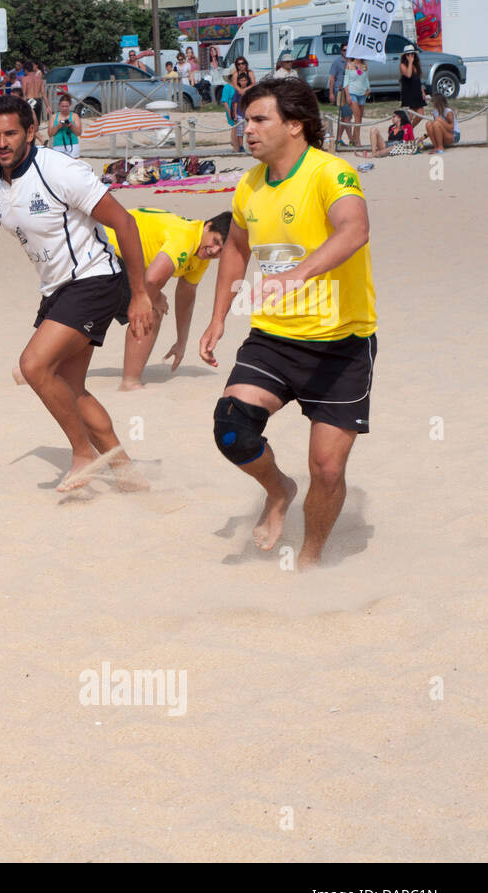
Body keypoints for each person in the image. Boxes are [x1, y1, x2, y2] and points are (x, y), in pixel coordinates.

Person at [198, 79, 376, 567]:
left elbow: (354, 229)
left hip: (341, 344)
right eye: (245, 119)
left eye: (259, 119)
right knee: (232, 429)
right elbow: (235, 247)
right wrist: (217, 318)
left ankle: (311, 558)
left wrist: (298, 275)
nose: (247, 129)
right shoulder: (249, 184)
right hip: (273, 339)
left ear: (295, 125)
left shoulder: (330, 173)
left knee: (327, 469)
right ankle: (278, 491)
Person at [0, 95, 153, 493]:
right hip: (57, 289)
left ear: (31, 132)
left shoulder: (60, 171)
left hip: (96, 279)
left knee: (33, 366)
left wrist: (140, 293)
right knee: (70, 387)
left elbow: (125, 223)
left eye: (11, 133)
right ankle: (128, 475)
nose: (2, 142)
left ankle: (83, 453)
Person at [107, 208, 232, 390]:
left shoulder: (201, 256)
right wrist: (155, 296)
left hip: (120, 255)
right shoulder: (186, 236)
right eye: (215, 242)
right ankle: (130, 383)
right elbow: (152, 279)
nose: (214, 251)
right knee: (150, 309)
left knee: (149, 304)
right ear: (208, 226)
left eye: (221, 251)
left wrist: (181, 342)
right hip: (104, 246)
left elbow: (186, 296)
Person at [20, 61, 50, 142]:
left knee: (29, 123)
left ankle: (38, 141)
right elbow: (43, 94)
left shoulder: (25, 79)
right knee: (36, 125)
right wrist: (48, 106)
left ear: (26, 70)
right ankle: (36, 141)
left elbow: (24, 93)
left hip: (29, 100)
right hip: (38, 100)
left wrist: (22, 105)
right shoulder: (39, 79)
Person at [328, 49, 351, 150]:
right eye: (344, 50)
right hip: (341, 91)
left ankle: (338, 139)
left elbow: (359, 73)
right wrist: (331, 93)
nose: (346, 51)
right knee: (346, 116)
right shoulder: (337, 62)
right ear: (341, 51)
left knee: (345, 117)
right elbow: (332, 78)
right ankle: (352, 139)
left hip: (351, 90)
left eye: (347, 49)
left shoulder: (352, 61)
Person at [224, 72, 252, 152]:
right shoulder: (234, 90)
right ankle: (240, 146)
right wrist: (234, 113)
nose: (243, 82)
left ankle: (247, 146)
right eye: (241, 80)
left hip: (246, 113)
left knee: (248, 130)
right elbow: (234, 103)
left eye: (245, 80)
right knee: (239, 131)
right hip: (240, 113)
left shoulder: (249, 91)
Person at [48, 93, 82, 159]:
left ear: (70, 105)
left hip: (73, 144)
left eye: (66, 106)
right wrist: (58, 126)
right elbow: (50, 134)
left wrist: (71, 126)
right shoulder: (54, 117)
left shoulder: (75, 116)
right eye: (63, 106)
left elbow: (79, 133)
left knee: (74, 166)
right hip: (58, 145)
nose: (64, 108)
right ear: (59, 105)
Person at [345, 57, 369, 148]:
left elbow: (366, 79)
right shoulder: (349, 65)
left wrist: (368, 89)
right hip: (352, 93)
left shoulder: (364, 66)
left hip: (362, 93)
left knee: (359, 118)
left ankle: (353, 139)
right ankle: (358, 141)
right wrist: (347, 95)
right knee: (357, 115)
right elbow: (345, 82)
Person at [399, 45, 426, 125]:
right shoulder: (402, 65)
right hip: (409, 93)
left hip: (417, 92)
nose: (410, 56)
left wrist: (422, 91)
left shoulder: (416, 65)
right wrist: (410, 62)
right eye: (408, 54)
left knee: (420, 114)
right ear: (405, 56)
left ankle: (410, 130)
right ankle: (405, 132)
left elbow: (418, 80)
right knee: (409, 115)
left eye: (412, 54)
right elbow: (408, 75)